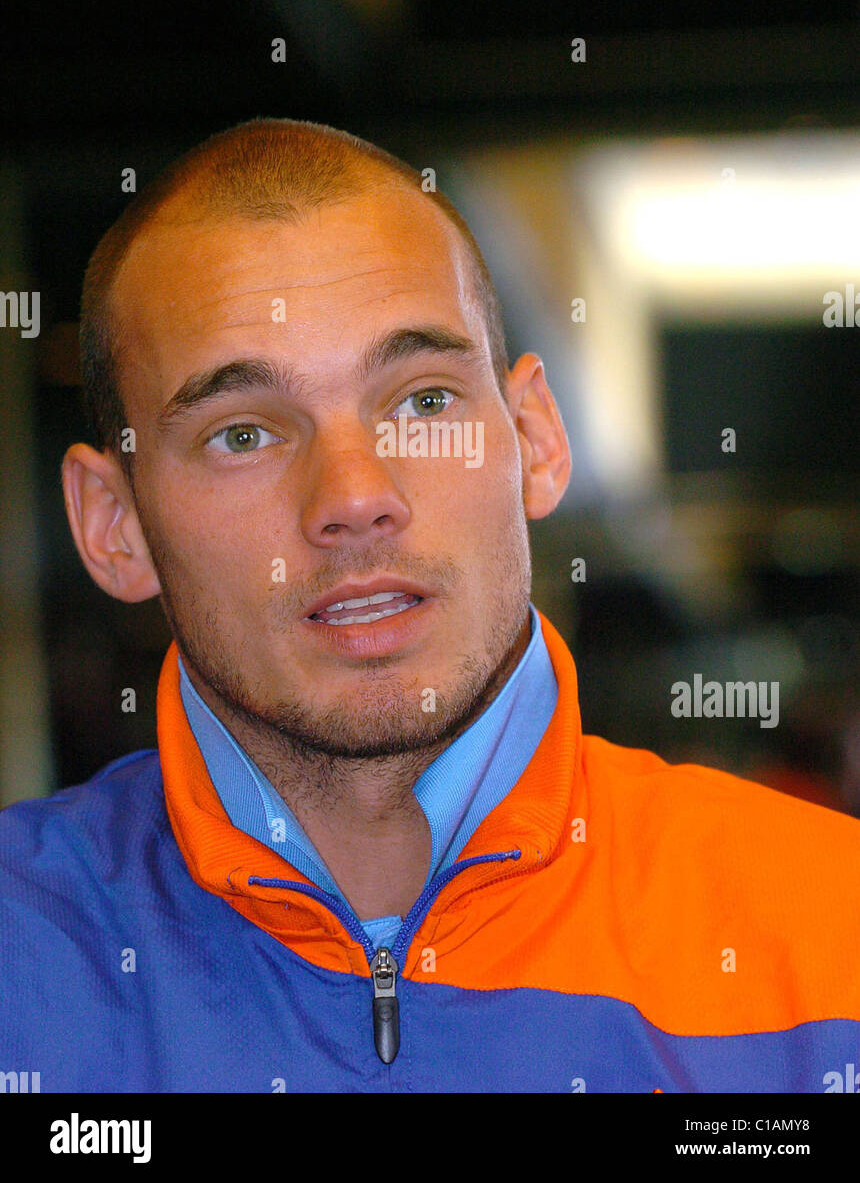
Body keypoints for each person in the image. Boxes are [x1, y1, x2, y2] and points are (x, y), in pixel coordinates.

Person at [1, 117, 858, 1093]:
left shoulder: (832, 934)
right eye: (243, 432)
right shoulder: (20, 955)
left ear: (534, 438)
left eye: (423, 402)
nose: (354, 497)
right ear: (112, 522)